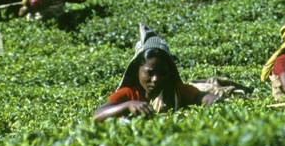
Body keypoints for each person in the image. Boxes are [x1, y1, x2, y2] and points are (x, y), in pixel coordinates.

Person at [94, 24, 245, 119]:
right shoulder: (129, 94)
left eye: (162, 73)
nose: (156, 79)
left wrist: (212, 102)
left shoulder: (176, 91)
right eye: (150, 73)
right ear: (137, 70)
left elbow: (203, 97)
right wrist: (127, 106)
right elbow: (98, 114)